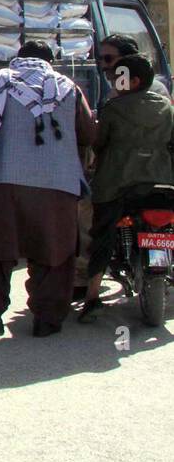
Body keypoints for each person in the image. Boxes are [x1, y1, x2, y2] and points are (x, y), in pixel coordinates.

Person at [0, 40, 97, 342]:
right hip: (57, 187)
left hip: (0, 183)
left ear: (19, 59)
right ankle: (47, 319)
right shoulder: (68, 87)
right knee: (54, 253)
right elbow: (88, 133)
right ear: (49, 62)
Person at [78, 54, 174, 319]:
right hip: (162, 182)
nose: (114, 81)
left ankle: (92, 297)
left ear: (134, 81)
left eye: (119, 76)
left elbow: (98, 143)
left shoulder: (113, 108)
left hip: (117, 185)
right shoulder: (167, 106)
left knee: (103, 237)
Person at [98, 34, 169, 102]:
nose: (103, 65)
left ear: (128, 58)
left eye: (108, 59)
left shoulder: (154, 90)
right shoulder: (113, 89)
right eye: (100, 59)